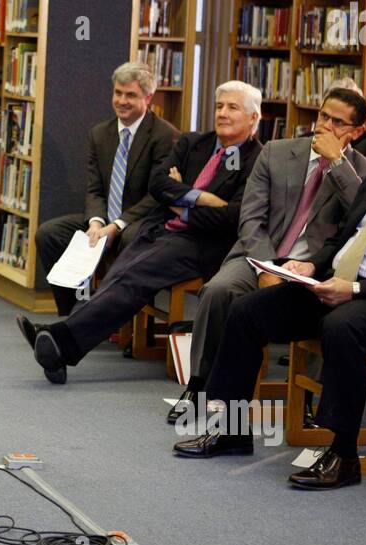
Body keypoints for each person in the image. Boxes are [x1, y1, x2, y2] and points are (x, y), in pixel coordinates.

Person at [174, 101, 366, 490]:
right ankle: (231, 430)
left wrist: (354, 290)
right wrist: (312, 266)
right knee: (247, 310)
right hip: (338, 287)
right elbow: (341, 238)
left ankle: (344, 454)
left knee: (342, 325)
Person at [16, 81, 263, 384]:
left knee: (132, 277)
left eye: (232, 107)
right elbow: (158, 184)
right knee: (120, 275)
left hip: (201, 244)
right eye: (219, 106)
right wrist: (201, 198)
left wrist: (180, 199)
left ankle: (60, 337)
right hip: (158, 228)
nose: (222, 113)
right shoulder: (193, 143)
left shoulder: (258, 161)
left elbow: (231, 217)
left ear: (253, 117)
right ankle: (61, 346)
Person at [167, 87, 366, 423]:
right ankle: (199, 384)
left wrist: (337, 162)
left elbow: (362, 221)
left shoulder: (365, 173)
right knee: (218, 291)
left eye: (338, 122)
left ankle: (308, 399)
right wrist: (267, 266)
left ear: (356, 132)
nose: (325, 126)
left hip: (315, 265)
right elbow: (250, 218)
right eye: (324, 116)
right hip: (257, 254)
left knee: (329, 303)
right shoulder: (277, 152)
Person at [34, 62, 177, 314]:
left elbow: (157, 194)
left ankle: (110, 317)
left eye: (130, 95)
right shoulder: (99, 134)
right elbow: (95, 188)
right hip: (105, 219)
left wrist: (117, 225)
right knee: (49, 233)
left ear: (148, 97)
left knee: (131, 239)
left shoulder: (165, 136)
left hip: (138, 221)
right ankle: (72, 313)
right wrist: (96, 222)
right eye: (117, 93)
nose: (121, 101)